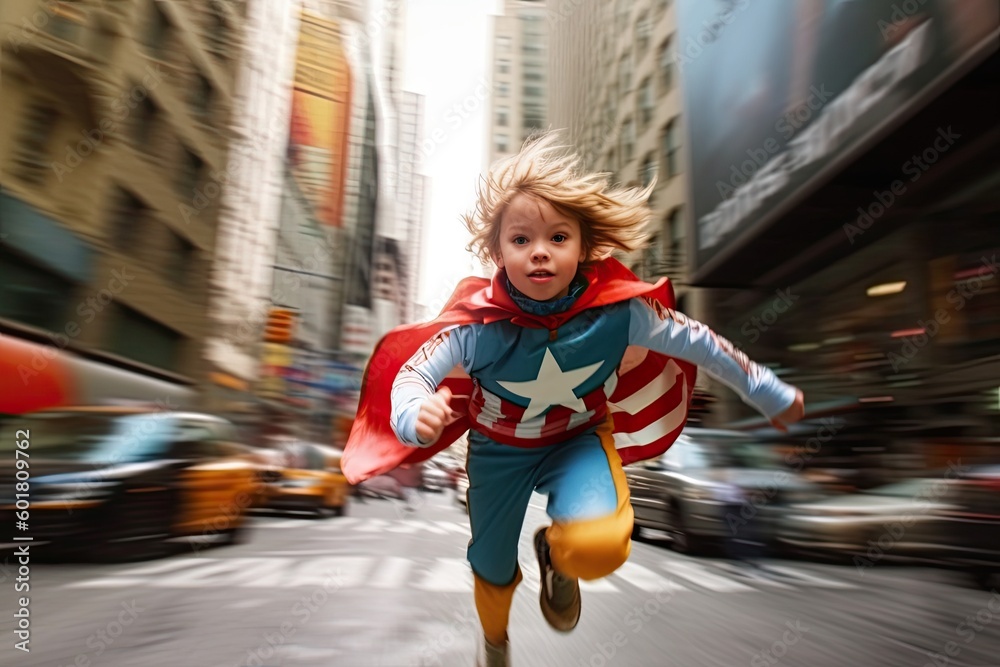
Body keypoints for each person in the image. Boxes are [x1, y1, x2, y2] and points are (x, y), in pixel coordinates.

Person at [342, 133, 804, 667]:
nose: (539, 250)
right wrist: (411, 414)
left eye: (557, 236)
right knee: (490, 565)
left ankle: (557, 558)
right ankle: (494, 642)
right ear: (498, 254)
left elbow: (700, 341)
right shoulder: (477, 329)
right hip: (497, 452)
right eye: (521, 239)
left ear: (584, 248)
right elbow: (412, 374)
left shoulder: (620, 314)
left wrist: (768, 391)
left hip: (578, 440)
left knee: (603, 543)